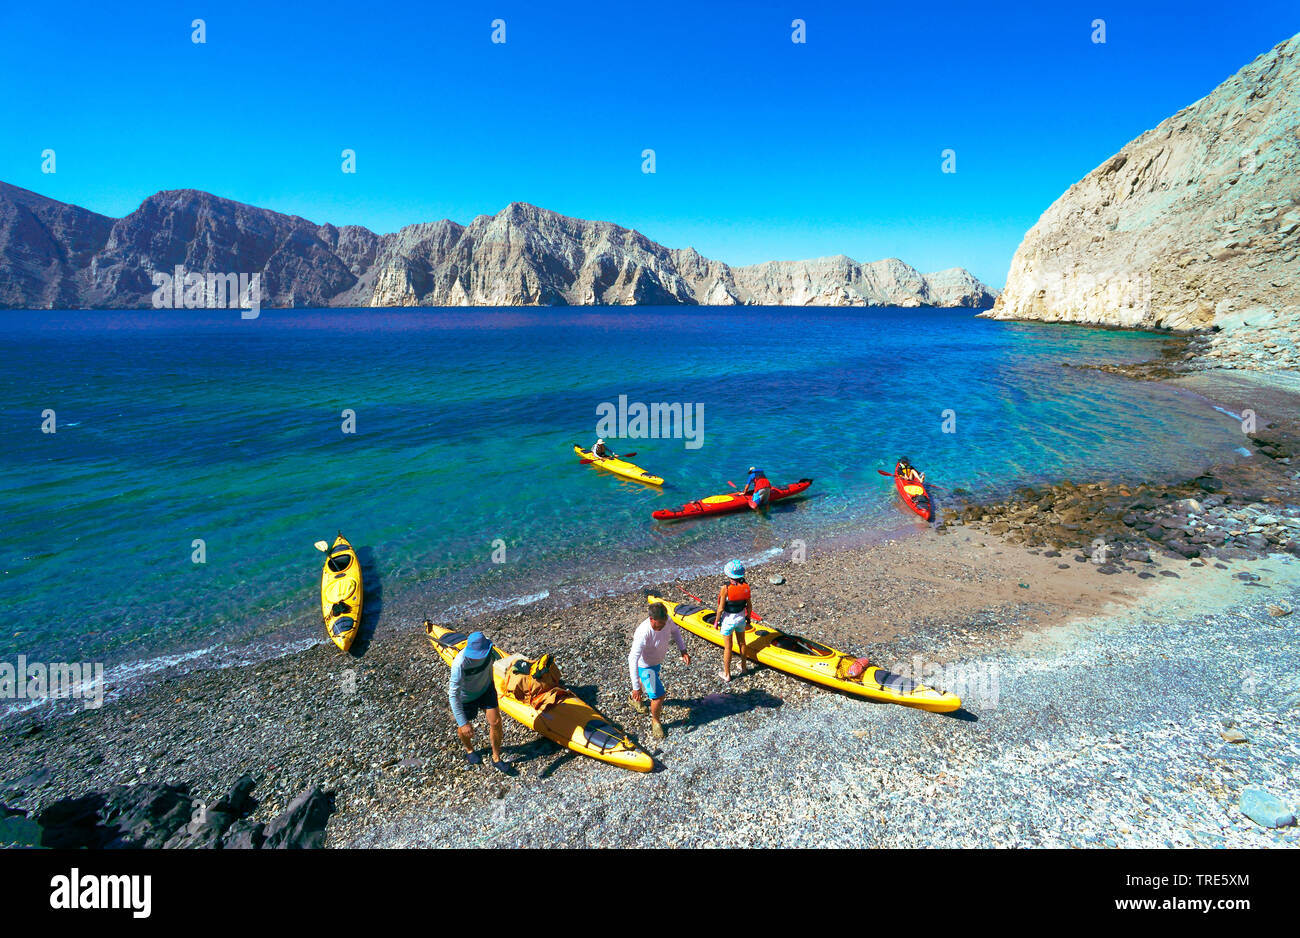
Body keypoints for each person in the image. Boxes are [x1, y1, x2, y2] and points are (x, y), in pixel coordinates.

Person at [448, 631, 511, 773]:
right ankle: (469, 749)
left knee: (495, 722)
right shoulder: (460, 664)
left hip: (486, 689)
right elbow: (453, 695)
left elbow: (503, 663)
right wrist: (462, 723)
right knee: (464, 726)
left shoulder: (490, 652)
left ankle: (496, 758)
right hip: (466, 697)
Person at [628, 602, 691, 739]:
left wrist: (683, 650)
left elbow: (675, 631)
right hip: (646, 666)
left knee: (647, 684)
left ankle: (635, 699)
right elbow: (632, 659)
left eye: (664, 623)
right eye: (659, 624)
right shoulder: (643, 632)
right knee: (658, 696)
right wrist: (635, 687)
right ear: (651, 619)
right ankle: (656, 722)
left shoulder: (667, 620)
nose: (663, 626)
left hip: (656, 662)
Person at [714, 560, 752, 682]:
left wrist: (716, 621)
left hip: (728, 621)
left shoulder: (725, 588)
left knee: (728, 648)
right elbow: (749, 605)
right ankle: (744, 668)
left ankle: (727, 674)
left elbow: (720, 608)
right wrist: (748, 618)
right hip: (741, 619)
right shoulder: (746, 585)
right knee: (742, 643)